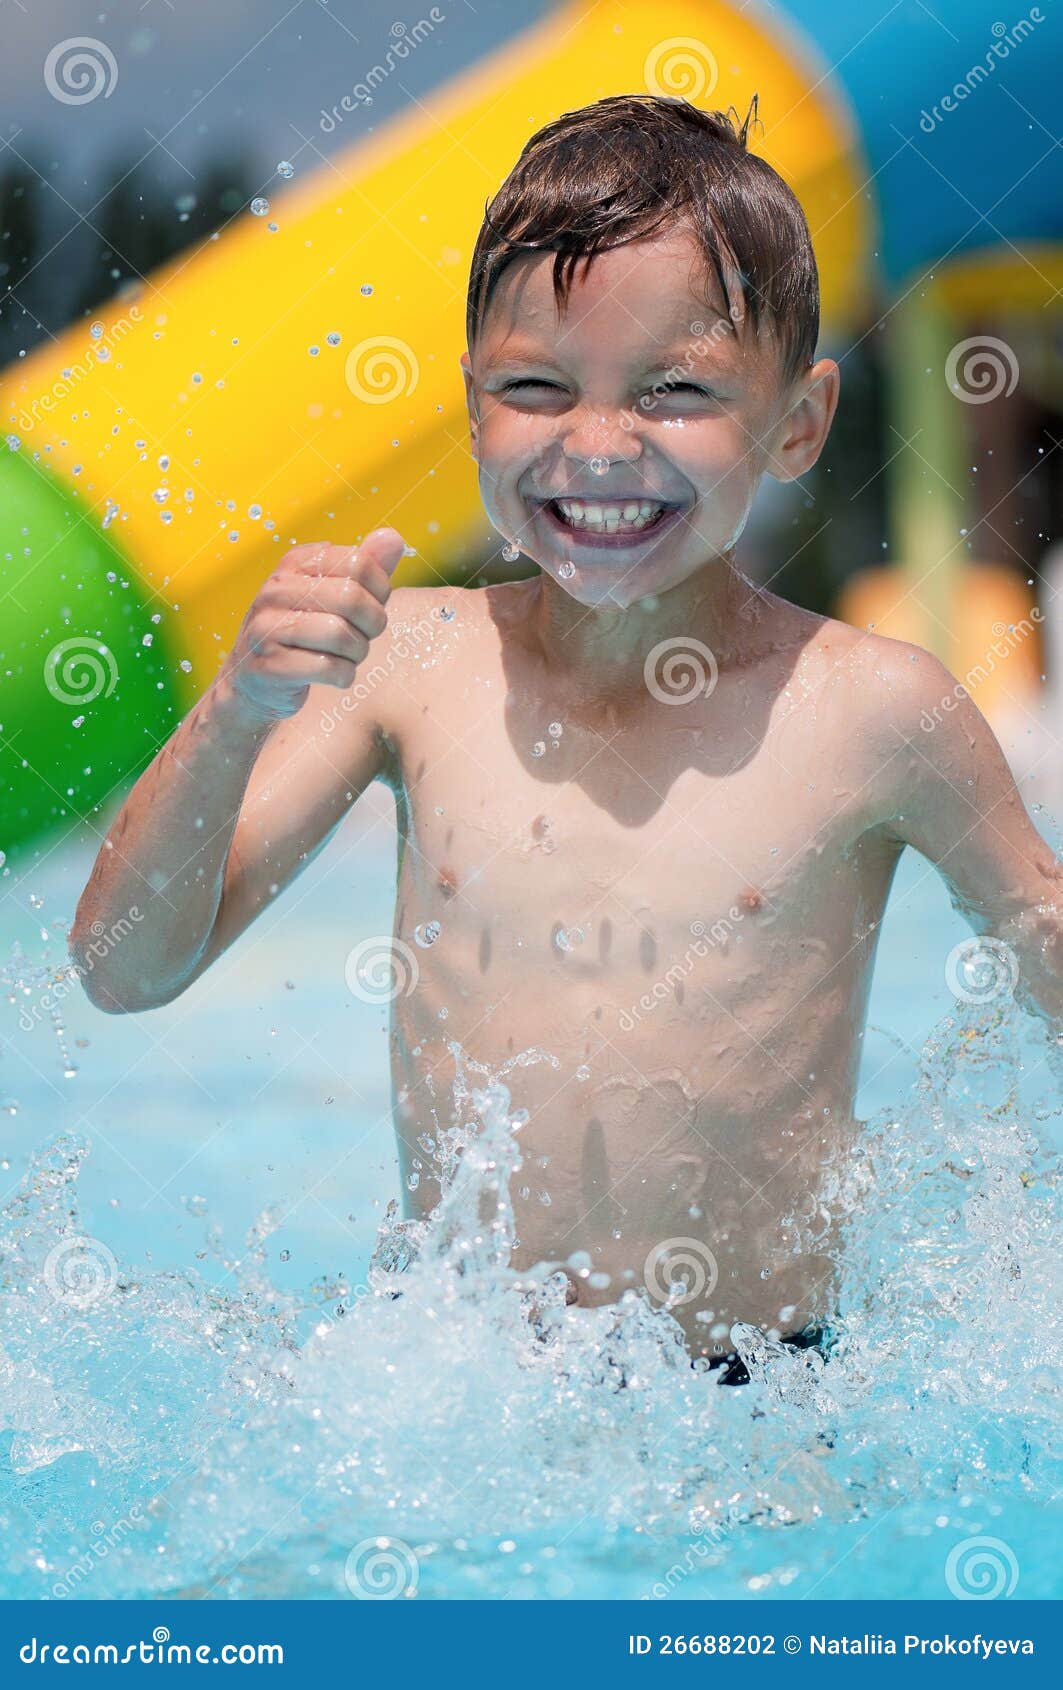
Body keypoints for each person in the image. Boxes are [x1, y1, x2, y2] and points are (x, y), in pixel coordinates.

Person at [71, 95, 1061, 1370]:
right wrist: (235, 708)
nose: (597, 446)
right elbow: (122, 968)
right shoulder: (407, 664)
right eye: (536, 387)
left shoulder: (871, 707)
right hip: (459, 1383)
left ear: (800, 423)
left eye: (677, 390)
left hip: (749, 1394)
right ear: (470, 401)